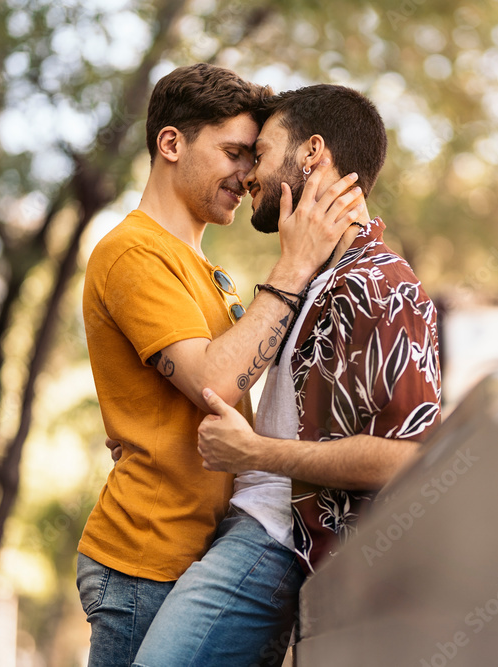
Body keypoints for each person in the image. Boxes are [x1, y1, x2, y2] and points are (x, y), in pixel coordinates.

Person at [131, 84, 443, 666]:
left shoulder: (380, 285)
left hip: (274, 541)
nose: (249, 173)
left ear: (311, 153)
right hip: (255, 535)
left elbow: (408, 459)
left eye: (262, 152)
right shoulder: (311, 282)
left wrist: (255, 453)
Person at [77, 63, 362, 667]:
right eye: (234, 152)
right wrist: (292, 267)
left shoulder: (202, 266)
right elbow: (214, 383)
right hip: (144, 559)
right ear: (172, 144)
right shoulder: (132, 251)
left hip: (198, 552)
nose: (248, 173)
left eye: (253, 156)